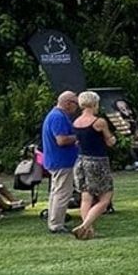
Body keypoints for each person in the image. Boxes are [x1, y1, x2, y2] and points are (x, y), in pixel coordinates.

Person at [71, 91, 117, 240]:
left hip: (81, 161)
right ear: (95, 103)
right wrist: (114, 139)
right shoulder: (99, 122)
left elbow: (78, 142)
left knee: (86, 197)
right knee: (105, 198)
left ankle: (88, 231)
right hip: (97, 162)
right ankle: (85, 226)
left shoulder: (76, 122)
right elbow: (109, 141)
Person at [41, 91, 79, 235]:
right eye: (75, 103)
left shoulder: (55, 115)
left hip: (56, 160)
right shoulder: (58, 117)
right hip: (61, 160)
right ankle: (56, 224)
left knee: (56, 191)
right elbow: (61, 140)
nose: (77, 107)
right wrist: (77, 137)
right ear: (68, 103)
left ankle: (54, 218)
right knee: (63, 193)